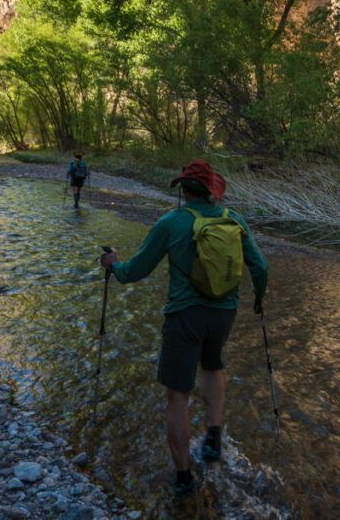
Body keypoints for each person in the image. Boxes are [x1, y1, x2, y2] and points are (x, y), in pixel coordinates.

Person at [99, 159, 268, 496]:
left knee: (177, 396)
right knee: (212, 366)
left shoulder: (171, 222)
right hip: (224, 315)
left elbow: (135, 271)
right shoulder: (233, 220)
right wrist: (258, 302)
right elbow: (260, 267)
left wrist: (113, 264)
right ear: (213, 193)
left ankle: (183, 479)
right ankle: (214, 436)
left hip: (184, 316)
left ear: (183, 190)